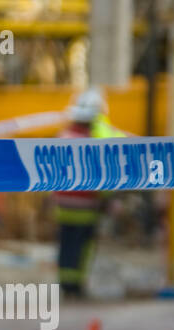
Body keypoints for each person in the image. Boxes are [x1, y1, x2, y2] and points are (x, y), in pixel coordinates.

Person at [54, 88, 124, 296]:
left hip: (63, 205)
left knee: (66, 244)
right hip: (87, 206)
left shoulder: (63, 137)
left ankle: (67, 284)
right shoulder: (96, 140)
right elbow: (104, 177)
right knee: (82, 247)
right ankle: (76, 285)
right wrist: (108, 199)